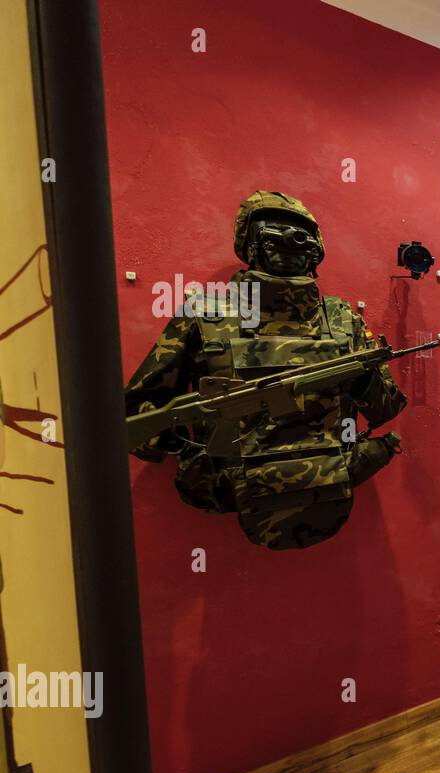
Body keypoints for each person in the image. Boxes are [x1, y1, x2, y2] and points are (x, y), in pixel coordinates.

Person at [123, 190, 408, 549]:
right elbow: (135, 414)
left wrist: (360, 375)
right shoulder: (206, 312)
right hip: (234, 489)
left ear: (316, 248)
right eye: (274, 231)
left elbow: (387, 409)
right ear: (250, 242)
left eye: (299, 234)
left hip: (329, 483)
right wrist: (197, 432)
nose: (290, 240)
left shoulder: (341, 318)